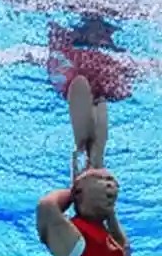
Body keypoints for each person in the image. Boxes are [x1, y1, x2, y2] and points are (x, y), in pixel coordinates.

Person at [47, 13, 135, 177]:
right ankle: (89, 163)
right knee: (97, 96)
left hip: (78, 63)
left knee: (88, 89)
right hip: (95, 65)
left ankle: (86, 162)